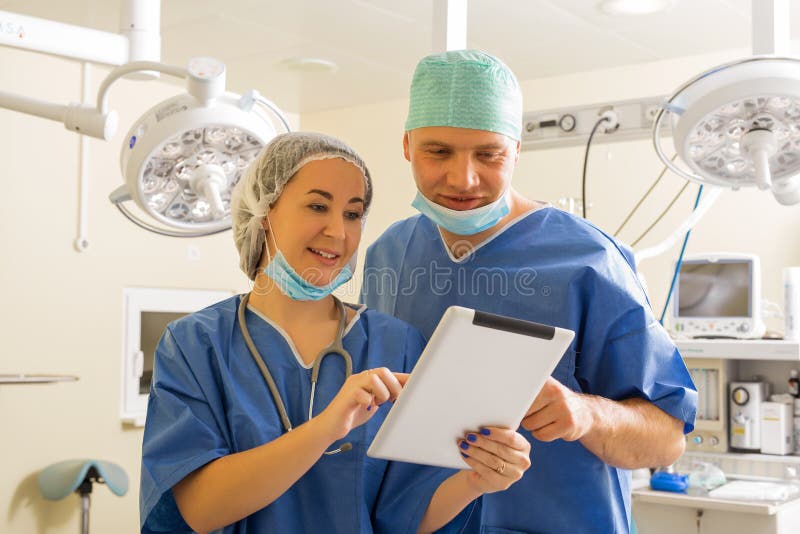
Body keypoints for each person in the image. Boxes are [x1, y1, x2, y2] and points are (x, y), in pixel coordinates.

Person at [361, 50, 697, 533]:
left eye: (488, 154)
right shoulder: (389, 254)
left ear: (517, 150)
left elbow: (666, 440)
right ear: (407, 145)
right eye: (439, 151)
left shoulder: (587, 260)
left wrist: (586, 413)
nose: (463, 178)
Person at [139, 132, 532, 534]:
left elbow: (407, 514)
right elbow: (197, 510)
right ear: (263, 213)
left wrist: (476, 480)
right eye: (317, 206)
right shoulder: (195, 345)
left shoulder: (396, 344)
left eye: (352, 213)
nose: (338, 232)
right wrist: (328, 426)